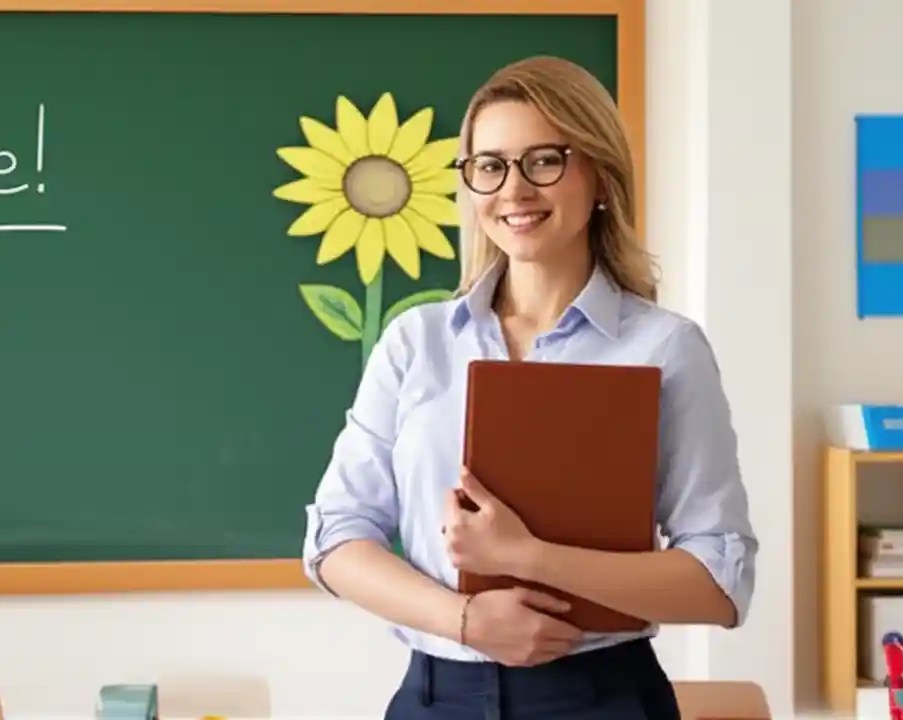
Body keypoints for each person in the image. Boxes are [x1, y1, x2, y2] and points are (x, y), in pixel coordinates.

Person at [300, 55, 758, 720]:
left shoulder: (665, 349)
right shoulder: (416, 341)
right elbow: (336, 539)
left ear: (598, 174)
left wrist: (529, 557)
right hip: (436, 696)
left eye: (543, 160)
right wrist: (465, 621)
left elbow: (720, 582)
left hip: (604, 697)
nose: (513, 189)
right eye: (489, 165)